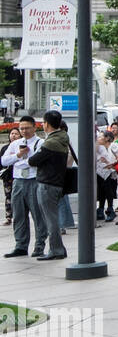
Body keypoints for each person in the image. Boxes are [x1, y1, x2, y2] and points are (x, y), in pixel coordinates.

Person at [26, 109, 70, 261]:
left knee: (50, 220)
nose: (42, 125)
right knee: (52, 218)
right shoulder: (63, 137)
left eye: (43, 122)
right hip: (57, 183)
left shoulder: (50, 142)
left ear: (47, 124)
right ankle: (59, 249)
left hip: (47, 184)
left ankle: (56, 250)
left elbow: (33, 161)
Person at [2, 116, 47, 256]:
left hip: (34, 180)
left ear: (35, 127)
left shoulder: (40, 142)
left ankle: (39, 245)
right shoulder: (16, 144)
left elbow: (36, 161)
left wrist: (21, 161)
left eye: (27, 128)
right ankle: (21, 245)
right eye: (22, 128)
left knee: (37, 214)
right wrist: (18, 155)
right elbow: (4, 160)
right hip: (18, 181)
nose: (24, 131)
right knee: (19, 214)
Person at [94, 129, 118, 222]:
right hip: (100, 171)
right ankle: (101, 209)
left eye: (101, 136)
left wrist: (112, 163)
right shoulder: (100, 145)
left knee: (107, 190)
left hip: (107, 171)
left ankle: (110, 209)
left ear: (107, 138)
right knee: (102, 190)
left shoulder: (112, 146)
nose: (99, 138)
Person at [1, 127, 17, 224]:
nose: (13, 135)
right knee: (8, 196)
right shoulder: (5, 148)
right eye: (12, 133)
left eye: (16, 133)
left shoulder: (22, 146)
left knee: (17, 198)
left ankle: (17, 216)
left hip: (18, 176)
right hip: (7, 177)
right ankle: (8, 217)